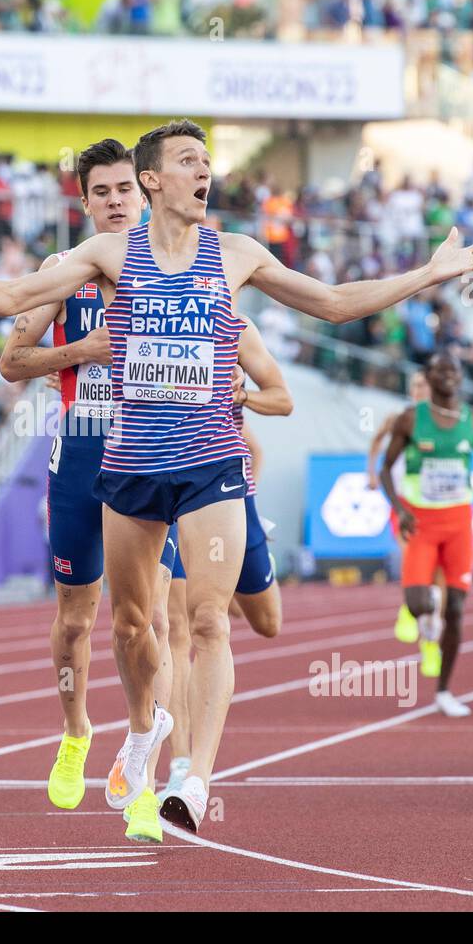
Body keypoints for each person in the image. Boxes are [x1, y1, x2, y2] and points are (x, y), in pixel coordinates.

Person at [0, 118, 473, 829]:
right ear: (154, 179)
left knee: (204, 622)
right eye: (190, 161)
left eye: (208, 161)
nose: (206, 172)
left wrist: (428, 275)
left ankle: (194, 779)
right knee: (130, 626)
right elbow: (17, 297)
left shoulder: (235, 254)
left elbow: (333, 301)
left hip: (210, 465)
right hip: (130, 465)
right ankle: (142, 729)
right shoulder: (108, 252)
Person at [0, 138, 176, 842]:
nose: (114, 200)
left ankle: (143, 775)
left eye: (124, 188)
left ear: (146, 191)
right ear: (85, 200)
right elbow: (13, 363)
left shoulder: (174, 266)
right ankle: (76, 731)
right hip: (79, 459)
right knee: (76, 622)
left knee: (145, 622)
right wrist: (80, 353)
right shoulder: (61, 273)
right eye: (100, 191)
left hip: (152, 459)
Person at [161, 313, 292, 800]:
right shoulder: (139, 315)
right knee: (179, 629)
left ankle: (220, 585)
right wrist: (68, 369)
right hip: (164, 491)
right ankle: (181, 766)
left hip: (230, 496)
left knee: (268, 621)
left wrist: (243, 397)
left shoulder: (230, 326)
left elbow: (282, 400)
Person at [379, 353, 473, 718]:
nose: (448, 375)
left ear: (461, 378)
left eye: (453, 370)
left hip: (460, 524)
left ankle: (445, 690)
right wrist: (400, 509)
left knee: (458, 610)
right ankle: (427, 612)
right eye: (440, 370)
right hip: (421, 523)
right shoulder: (409, 419)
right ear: (429, 377)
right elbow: (385, 468)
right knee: (417, 604)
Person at [369, 370, 436, 644]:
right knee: (410, 555)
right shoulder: (398, 418)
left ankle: (431, 629)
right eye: (415, 385)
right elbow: (376, 440)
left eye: (423, 385)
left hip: (435, 504)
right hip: (404, 502)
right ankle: (409, 610)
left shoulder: (444, 422)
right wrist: (371, 472)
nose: (418, 390)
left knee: (432, 568)